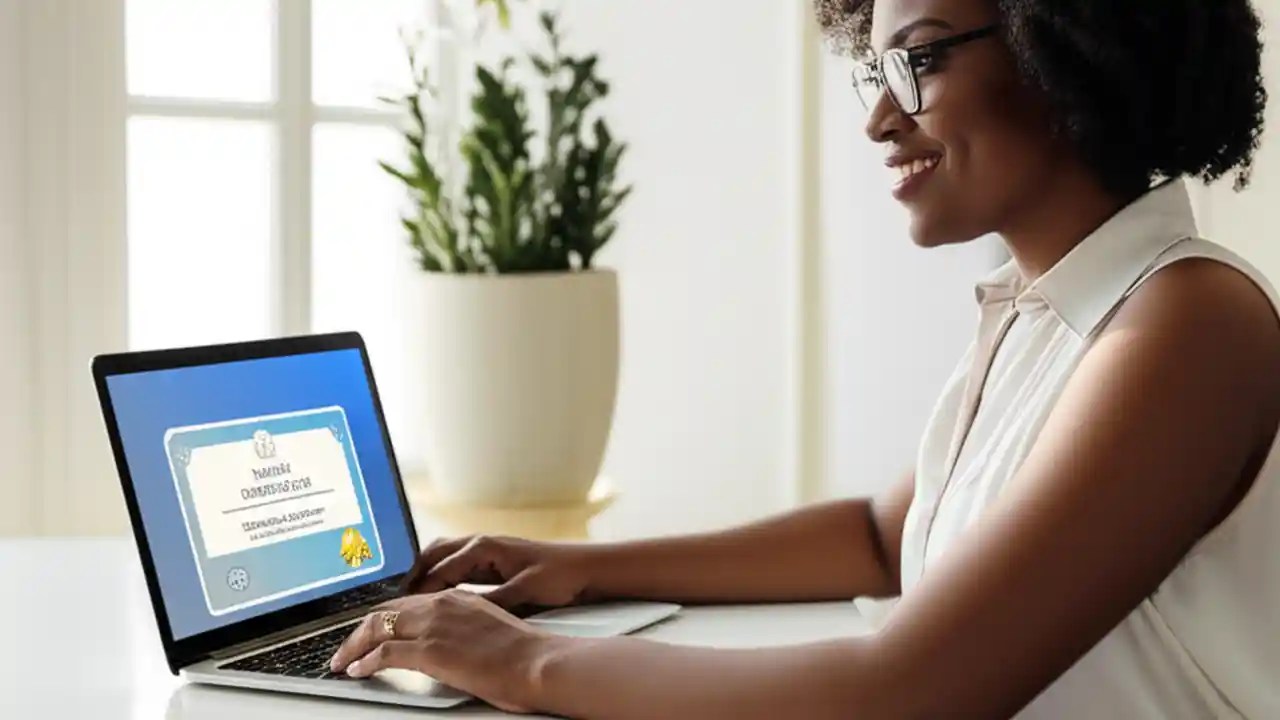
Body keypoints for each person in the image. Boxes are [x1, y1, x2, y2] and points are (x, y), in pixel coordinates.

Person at [330, 0, 1280, 716]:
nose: (879, 120)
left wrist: (520, 663)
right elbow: (881, 537)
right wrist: (585, 567)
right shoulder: (1045, 314)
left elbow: (904, 692)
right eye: (877, 74)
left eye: (918, 61)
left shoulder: (1188, 325)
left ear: (1070, 44)